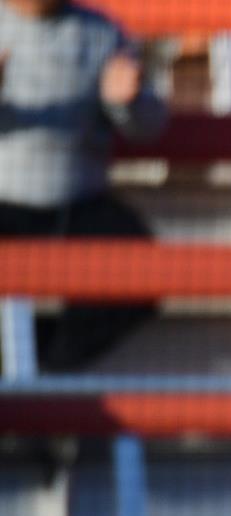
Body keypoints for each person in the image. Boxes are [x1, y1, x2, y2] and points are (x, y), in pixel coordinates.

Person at [0, 0, 167, 370]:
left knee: (145, 268)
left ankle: (51, 369)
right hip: (6, 206)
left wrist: (127, 101)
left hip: (77, 205)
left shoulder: (102, 33)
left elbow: (150, 125)